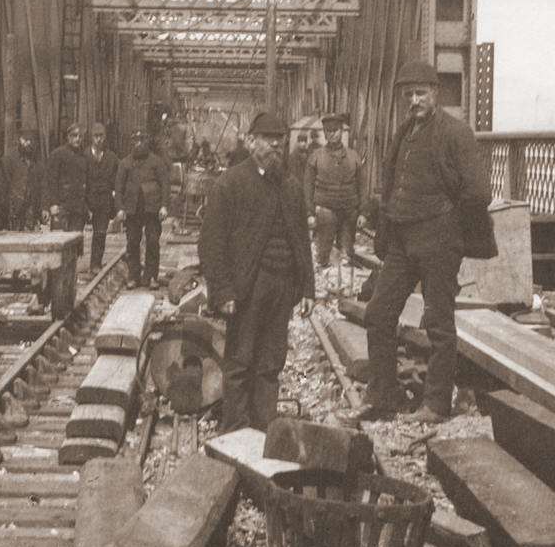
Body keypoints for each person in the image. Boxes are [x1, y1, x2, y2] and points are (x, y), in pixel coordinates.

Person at [345, 61, 497, 425]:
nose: (414, 100)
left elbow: (477, 193)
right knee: (379, 314)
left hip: (438, 240)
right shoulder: (405, 132)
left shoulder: (455, 133)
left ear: (435, 94)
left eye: (421, 93)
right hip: (402, 238)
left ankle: (436, 404)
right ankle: (383, 397)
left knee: (438, 323)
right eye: (408, 95)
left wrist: (448, 225)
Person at [198, 112, 315, 434]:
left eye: (280, 139)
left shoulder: (290, 187)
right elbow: (211, 242)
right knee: (239, 362)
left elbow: (302, 242)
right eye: (268, 138)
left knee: (271, 363)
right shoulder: (231, 183)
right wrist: (222, 290)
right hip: (247, 288)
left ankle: (263, 429)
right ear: (251, 142)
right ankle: (236, 430)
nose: (276, 144)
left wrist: (307, 288)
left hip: (282, 286)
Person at [303, 114, 367, 269]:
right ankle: (323, 288)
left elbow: (362, 187)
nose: (332, 134)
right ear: (324, 133)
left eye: (335, 130)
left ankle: (344, 289)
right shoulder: (315, 157)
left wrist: (363, 212)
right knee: (322, 255)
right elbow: (307, 188)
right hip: (325, 211)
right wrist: (310, 214)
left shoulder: (353, 157)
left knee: (346, 255)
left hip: (349, 212)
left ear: (342, 131)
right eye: (328, 130)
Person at [114, 129, 170, 290]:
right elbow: (119, 188)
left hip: (152, 210)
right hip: (133, 211)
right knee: (132, 243)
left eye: (142, 141)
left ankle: (151, 276)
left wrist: (164, 206)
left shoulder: (156, 162)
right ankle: (133, 276)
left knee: (152, 242)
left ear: (146, 142)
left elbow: (165, 184)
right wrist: (120, 208)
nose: (138, 145)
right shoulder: (126, 163)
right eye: (135, 141)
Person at [45, 122, 88, 257]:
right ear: (68, 137)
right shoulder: (58, 154)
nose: (77, 139)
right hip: (62, 208)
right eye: (74, 136)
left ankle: (71, 276)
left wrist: (86, 206)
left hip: (78, 209)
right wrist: (52, 203)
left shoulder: (84, 158)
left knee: (74, 244)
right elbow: (50, 181)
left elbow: (86, 183)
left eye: (80, 136)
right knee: (58, 245)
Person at [86, 123, 119, 275]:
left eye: (101, 136)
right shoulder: (83, 155)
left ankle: (95, 264)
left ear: (105, 137)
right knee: (76, 234)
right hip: (86, 201)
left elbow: (118, 179)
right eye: (96, 136)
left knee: (100, 234)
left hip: (104, 201)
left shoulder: (112, 157)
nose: (99, 140)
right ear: (91, 137)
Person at [5, 128, 45, 231]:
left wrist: (44, 208)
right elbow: (4, 187)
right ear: (18, 140)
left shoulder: (37, 162)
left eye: (32, 140)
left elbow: (43, 186)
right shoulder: (9, 160)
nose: (29, 143)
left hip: (31, 212)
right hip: (14, 212)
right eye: (25, 139)